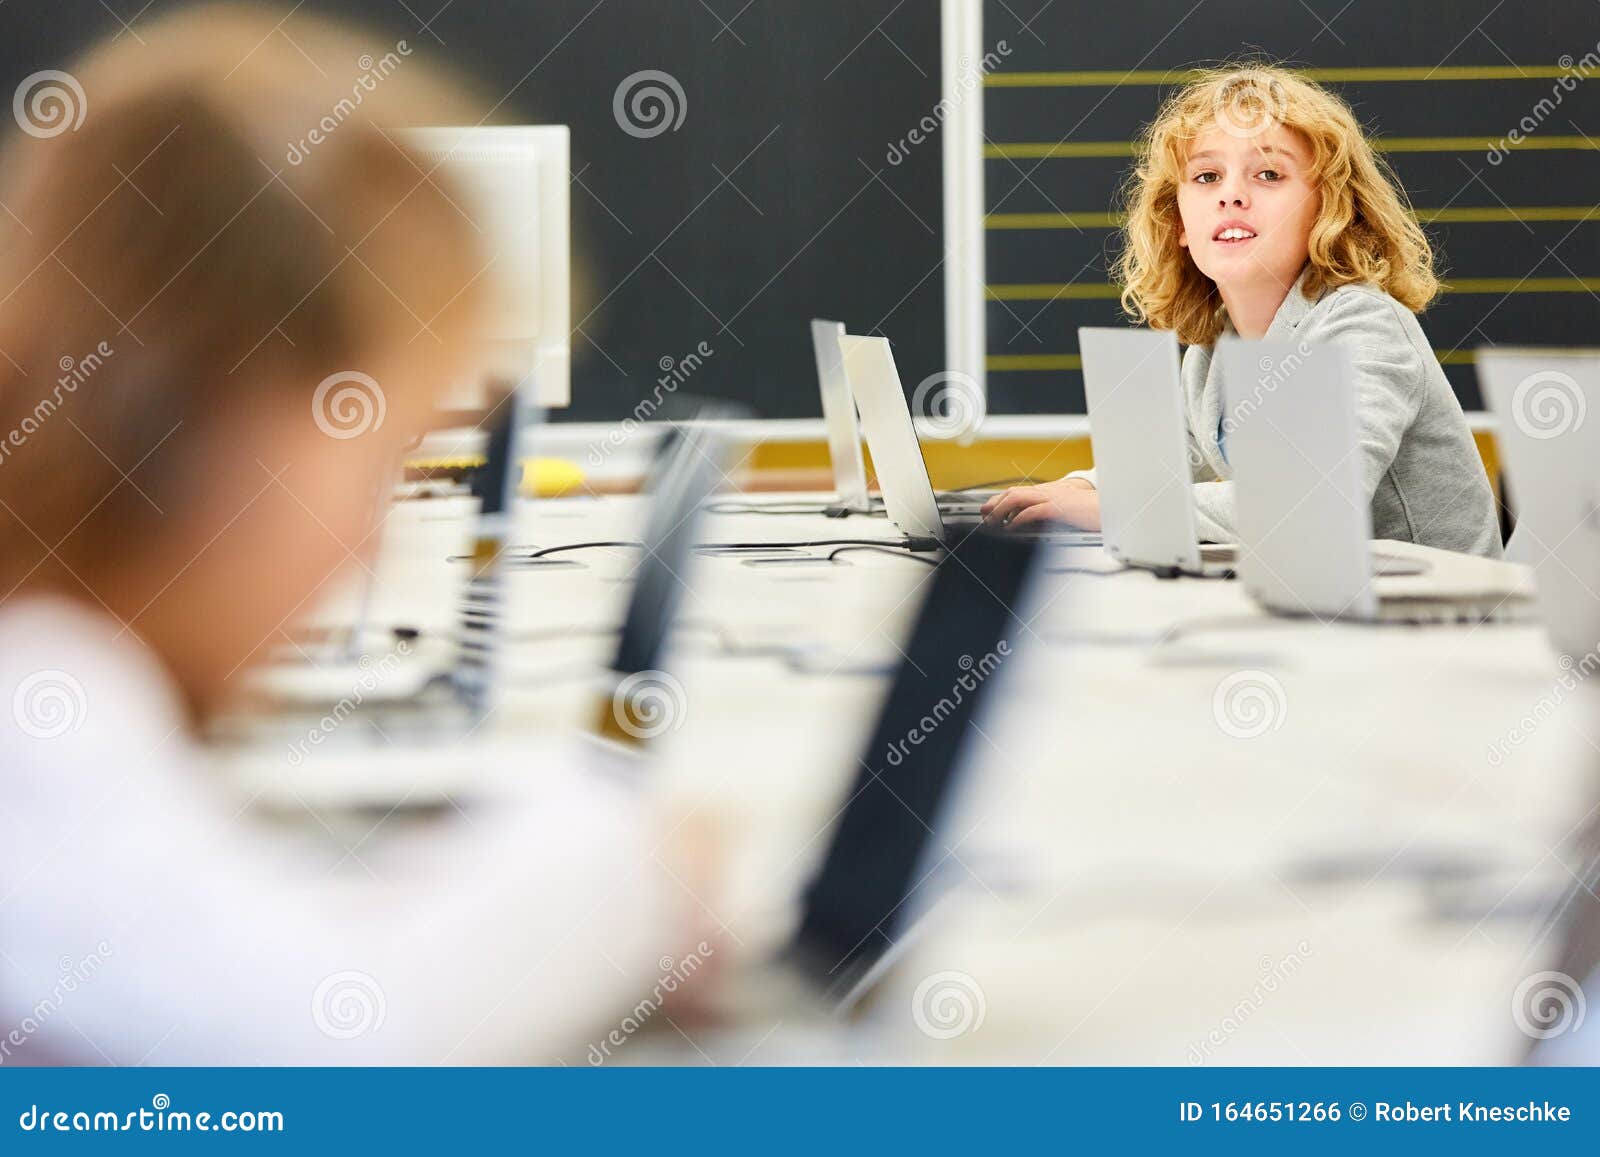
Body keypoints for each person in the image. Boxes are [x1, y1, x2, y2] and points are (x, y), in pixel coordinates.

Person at [0, 5, 680, 1063]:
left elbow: (212, 963)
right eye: (384, 464)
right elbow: (339, 1046)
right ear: (237, 405)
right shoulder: (44, 689)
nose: (370, 549)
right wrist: (632, 855)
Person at [982, 64, 1501, 559]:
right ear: (1180, 223)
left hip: (1436, 633)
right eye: (1206, 176)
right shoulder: (1213, 353)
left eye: (1269, 173)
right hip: (1321, 613)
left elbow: (1306, 505)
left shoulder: (1362, 324)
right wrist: (1074, 489)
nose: (1231, 195)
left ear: (1330, 212)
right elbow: (1172, 469)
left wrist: (1112, 508)